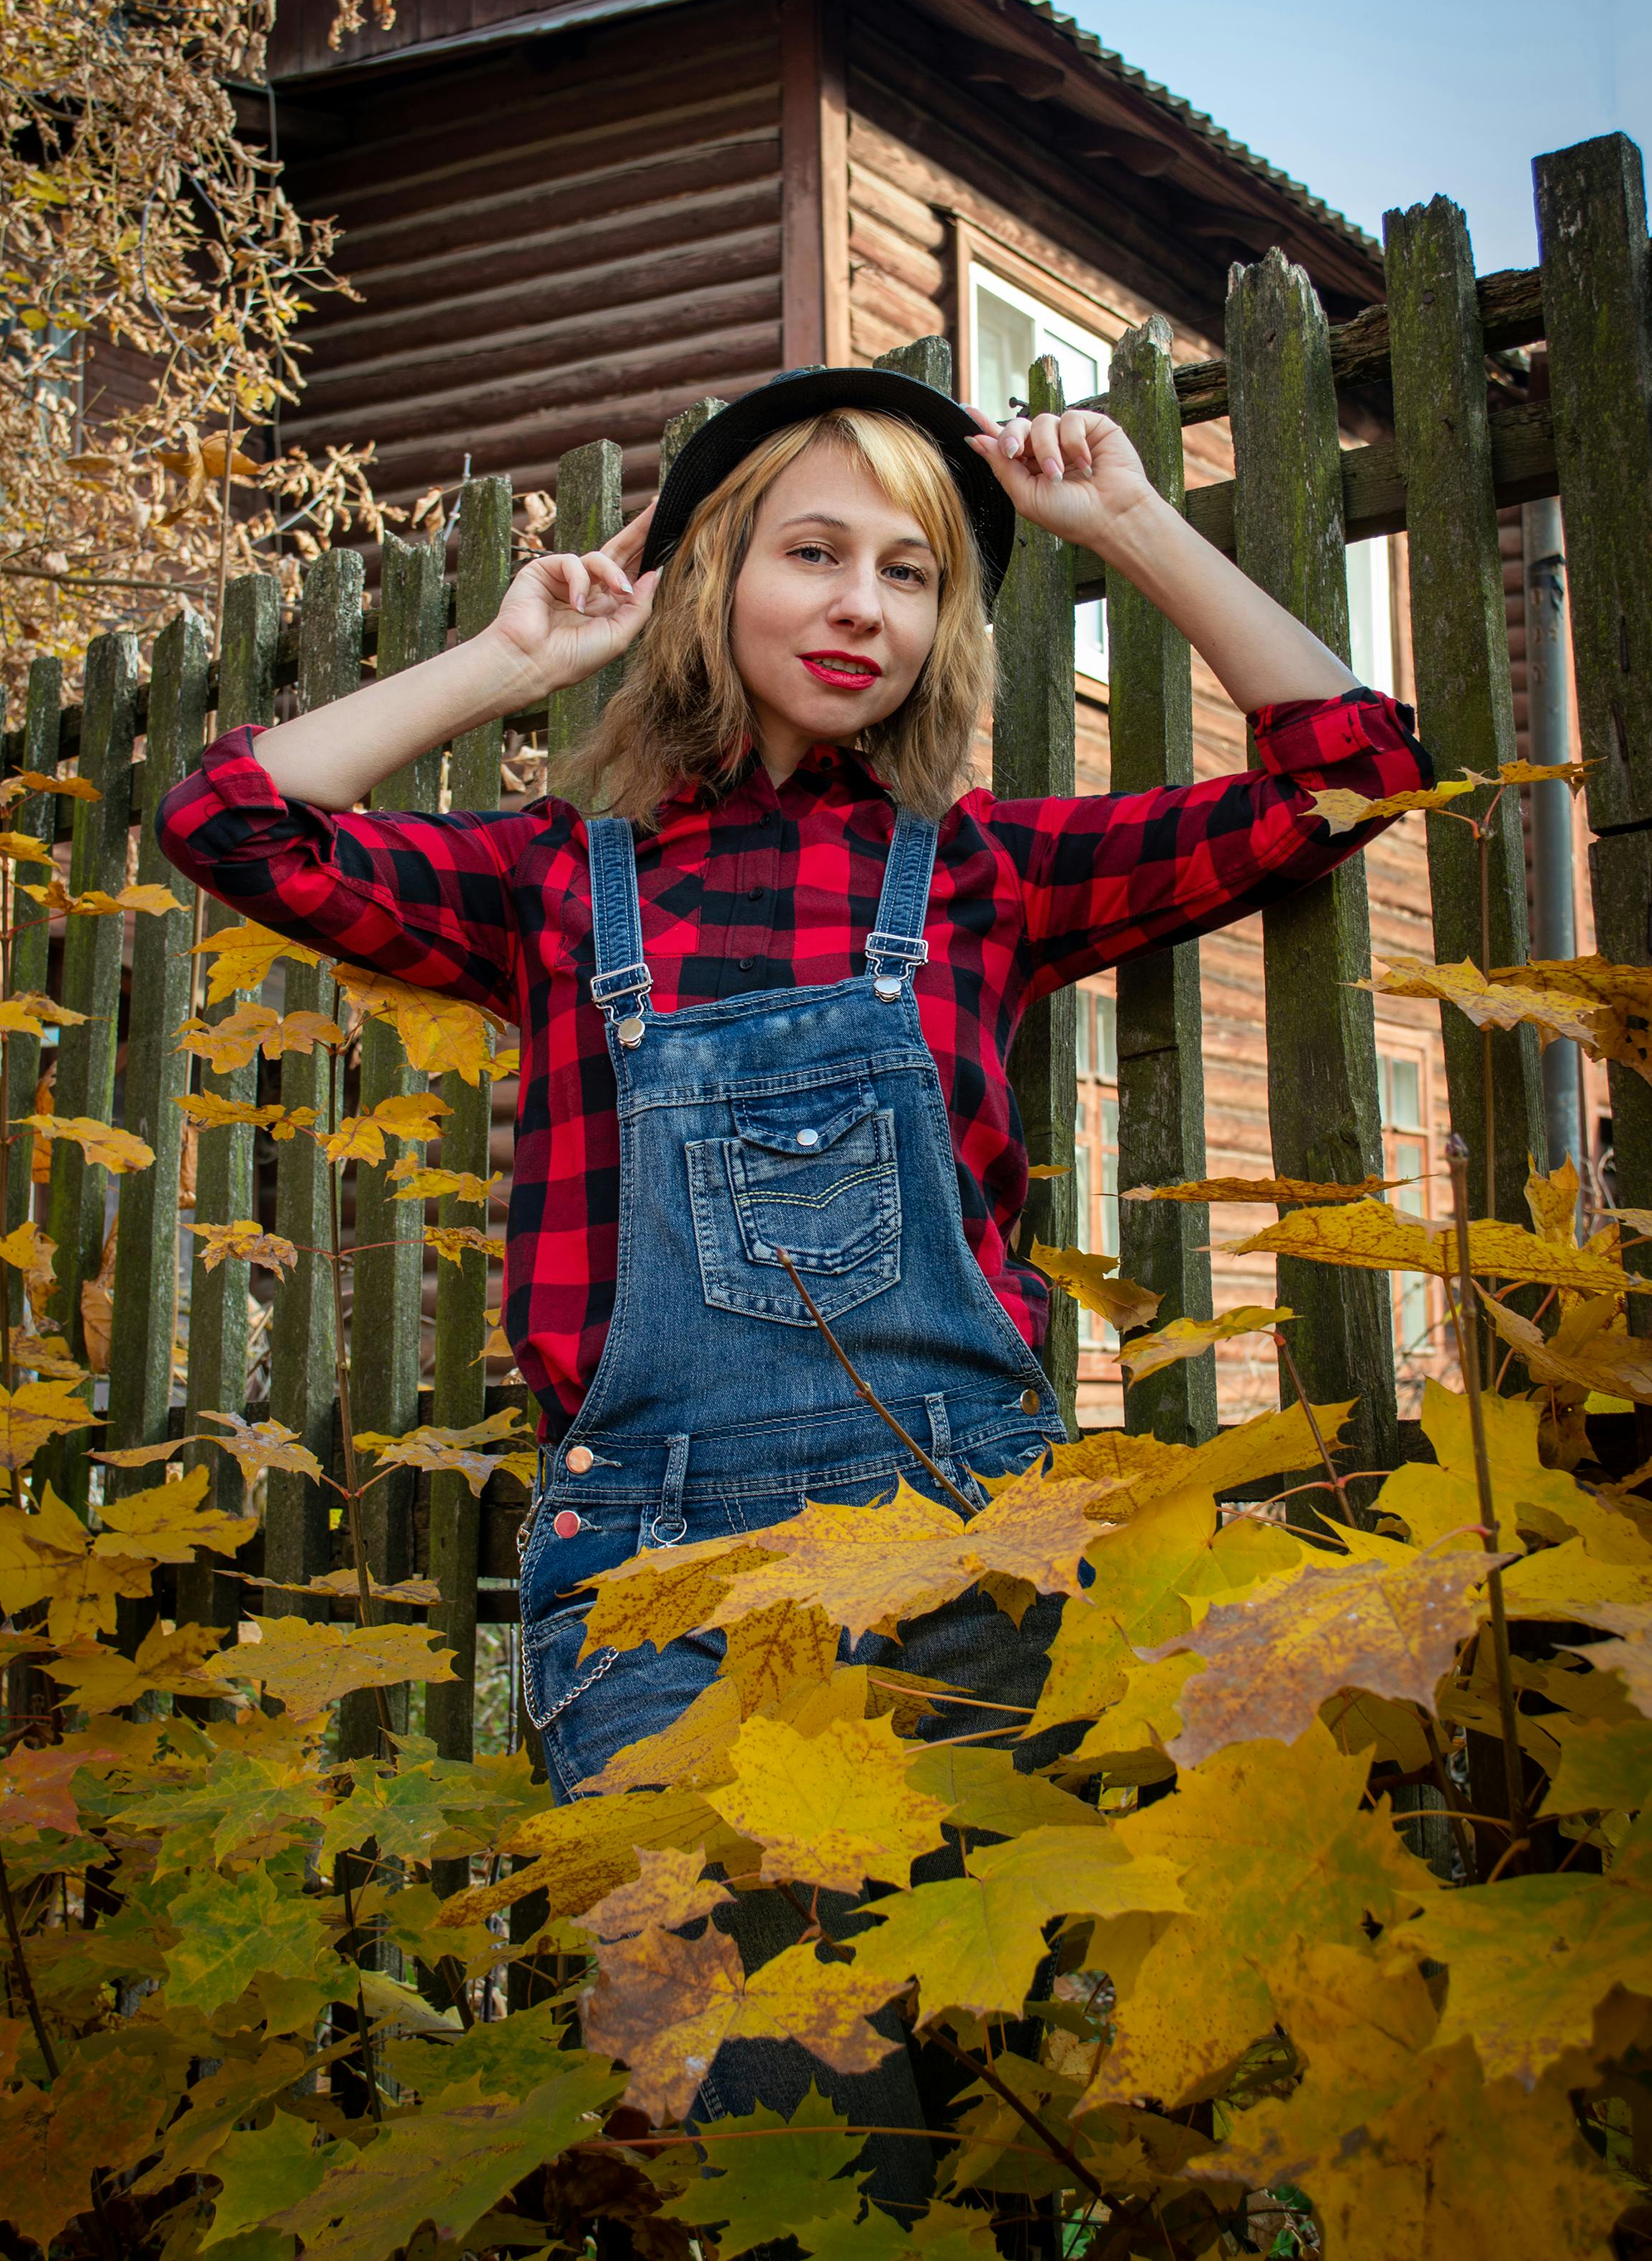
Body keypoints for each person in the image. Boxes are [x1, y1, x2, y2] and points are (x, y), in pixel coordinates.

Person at [158, 365, 1429, 2160]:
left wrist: (1133, 524)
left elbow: (1358, 775)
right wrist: (516, 664)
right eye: (813, 552)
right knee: (800, 2145)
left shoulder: (980, 872)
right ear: (703, 580)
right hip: (660, 1580)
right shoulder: (552, 884)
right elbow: (230, 824)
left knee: (981, 2119)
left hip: (967, 1553)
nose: (862, 605)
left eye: (912, 574)